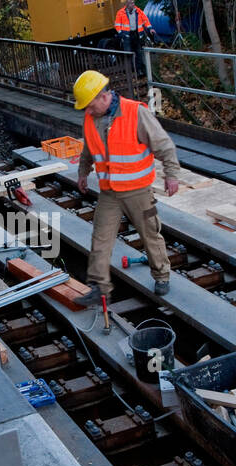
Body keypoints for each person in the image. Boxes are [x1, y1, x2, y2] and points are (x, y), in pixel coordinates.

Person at [71, 69, 180, 306]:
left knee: (150, 234)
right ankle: (100, 288)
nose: (87, 111)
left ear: (103, 96)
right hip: (109, 192)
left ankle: (161, 275)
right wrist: (83, 172)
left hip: (138, 191)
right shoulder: (91, 119)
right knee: (100, 239)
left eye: (89, 105)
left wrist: (172, 175)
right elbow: (89, 150)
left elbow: (164, 146)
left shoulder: (135, 112)